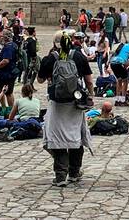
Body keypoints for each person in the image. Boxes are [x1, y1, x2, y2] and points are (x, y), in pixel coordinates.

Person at [37, 31, 93, 186]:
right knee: (76, 137)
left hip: (57, 104)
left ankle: (61, 176)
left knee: (58, 139)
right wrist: (91, 95)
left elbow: (40, 80)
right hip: (75, 103)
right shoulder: (79, 57)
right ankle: (74, 172)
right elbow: (88, 80)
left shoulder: (51, 58)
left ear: (55, 43)